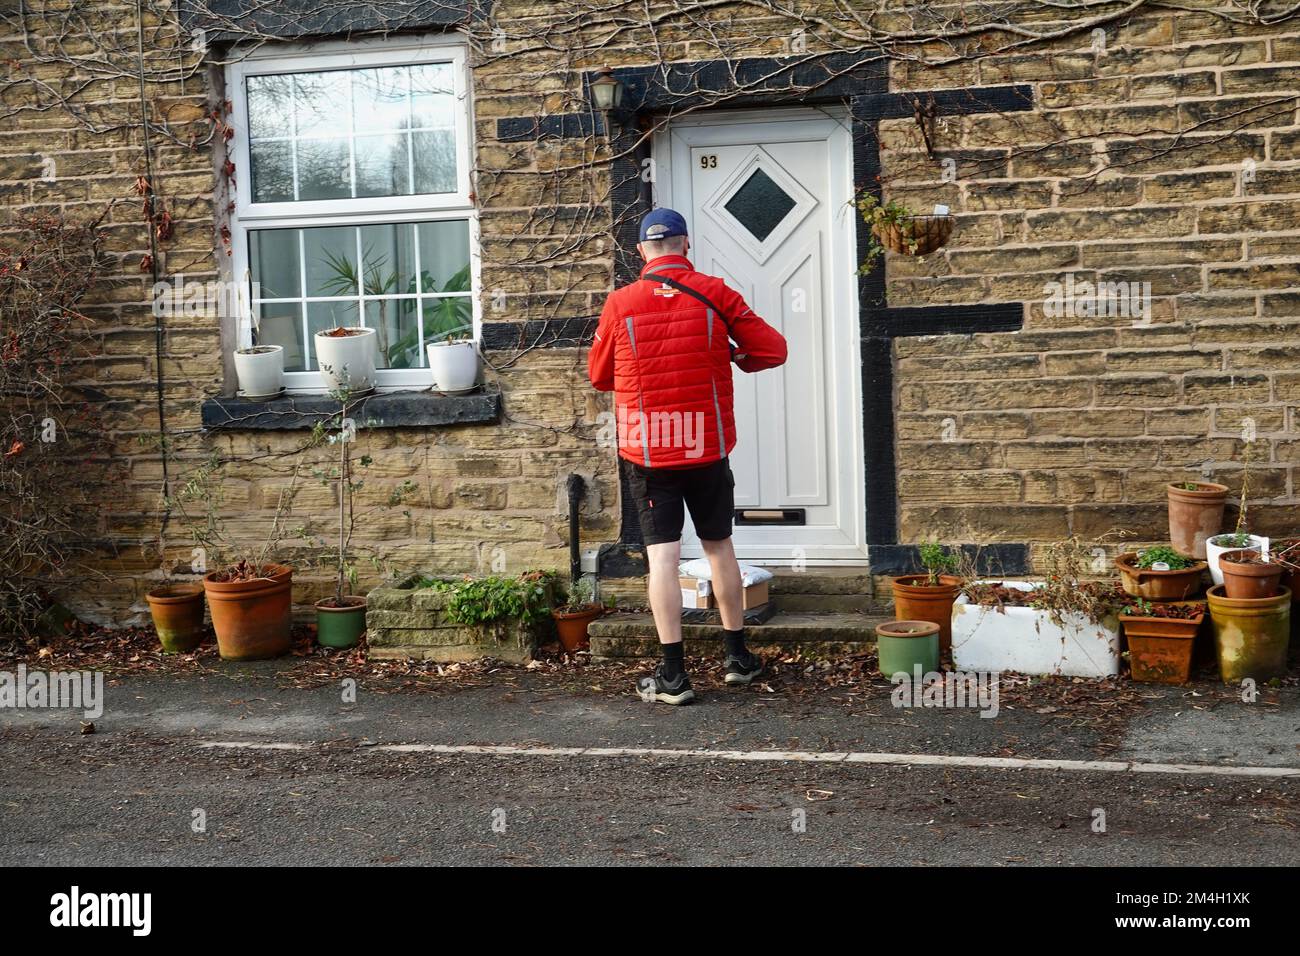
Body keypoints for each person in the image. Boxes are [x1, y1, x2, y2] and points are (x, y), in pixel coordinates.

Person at [587, 208, 788, 704]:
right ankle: (737, 658)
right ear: (686, 245)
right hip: (707, 445)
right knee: (719, 546)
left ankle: (673, 676)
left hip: (650, 450)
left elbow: (599, 374)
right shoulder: (716, 293)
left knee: (664, 558)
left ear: (641, 252)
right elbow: (773, 350)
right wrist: (732, 354)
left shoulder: (620, 303)